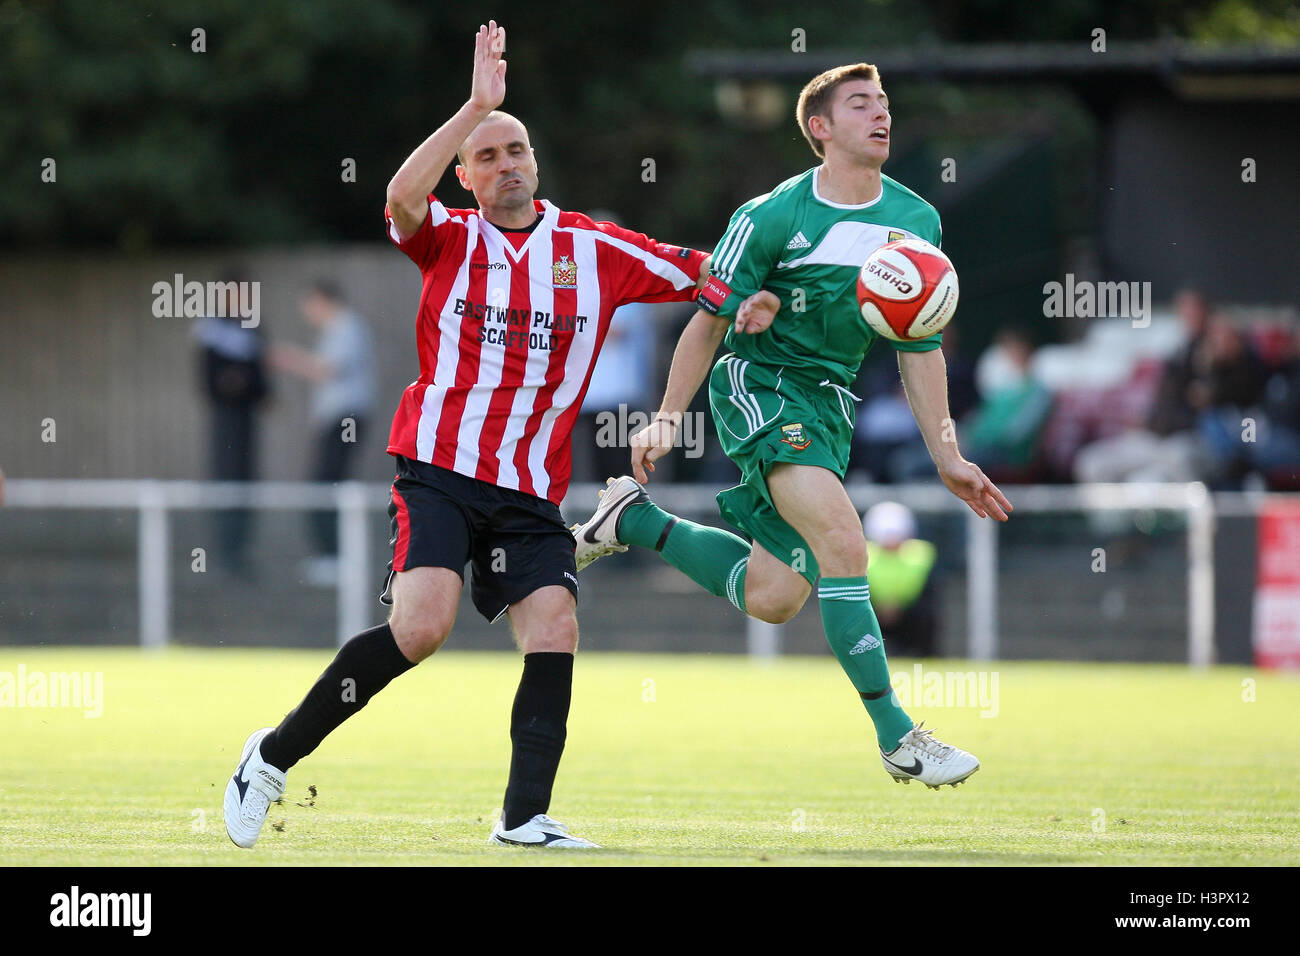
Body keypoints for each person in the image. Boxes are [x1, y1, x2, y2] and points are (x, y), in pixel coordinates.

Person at [224, 21, 710, 851]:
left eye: (514, 148)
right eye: (486, 156)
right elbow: (400, 196)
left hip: (530, 486)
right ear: (466, 176)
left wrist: (775, 288)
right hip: (439, 469)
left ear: (535, 161)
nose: (506, 163)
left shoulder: (593, 249)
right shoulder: (448, 237)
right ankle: (269, 757)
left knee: (554, 623)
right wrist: (476, 105)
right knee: (421, 630)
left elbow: (707, 273)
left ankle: (524, 818)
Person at [573, 62, 1012, 790]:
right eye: (862, 104)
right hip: (762, 387)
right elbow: (706, 323)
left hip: (831, 407)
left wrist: (948, 455)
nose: (882, 115)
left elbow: (920, 349)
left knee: (774, 598)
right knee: (845, 540)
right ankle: (898, 736)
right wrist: (664, 420)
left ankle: (632, 521)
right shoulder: (770, 216)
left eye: (885, 104)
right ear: (820, 128)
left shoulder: (917, 222)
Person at [270, 279, 378, 584]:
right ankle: (334, 556)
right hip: (340, 418)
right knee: (329, 482)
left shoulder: (347, 327)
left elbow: (328, 369)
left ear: (321, 300)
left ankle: (336, 557)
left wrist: (289, 358)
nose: (308, 313)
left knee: (327, 483)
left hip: (347, 418)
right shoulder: (339, 330)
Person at [193, 272, 269, 575]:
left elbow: (260, 376)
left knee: (246, 480)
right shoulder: (211, 330)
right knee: (225, 477)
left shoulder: (253, 327)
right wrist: (231, 383)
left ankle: (242, 550)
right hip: (225, 417)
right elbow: (208, 380)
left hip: (247, 417)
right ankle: (225, 551)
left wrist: (250, 385)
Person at [862, 502, 938, 658]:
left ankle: (925, 657)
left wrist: (895, 605)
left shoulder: (920, 554)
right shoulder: (864, 554)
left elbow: (920, 589)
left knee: (926, 615)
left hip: (908, 613)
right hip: (874, 613)